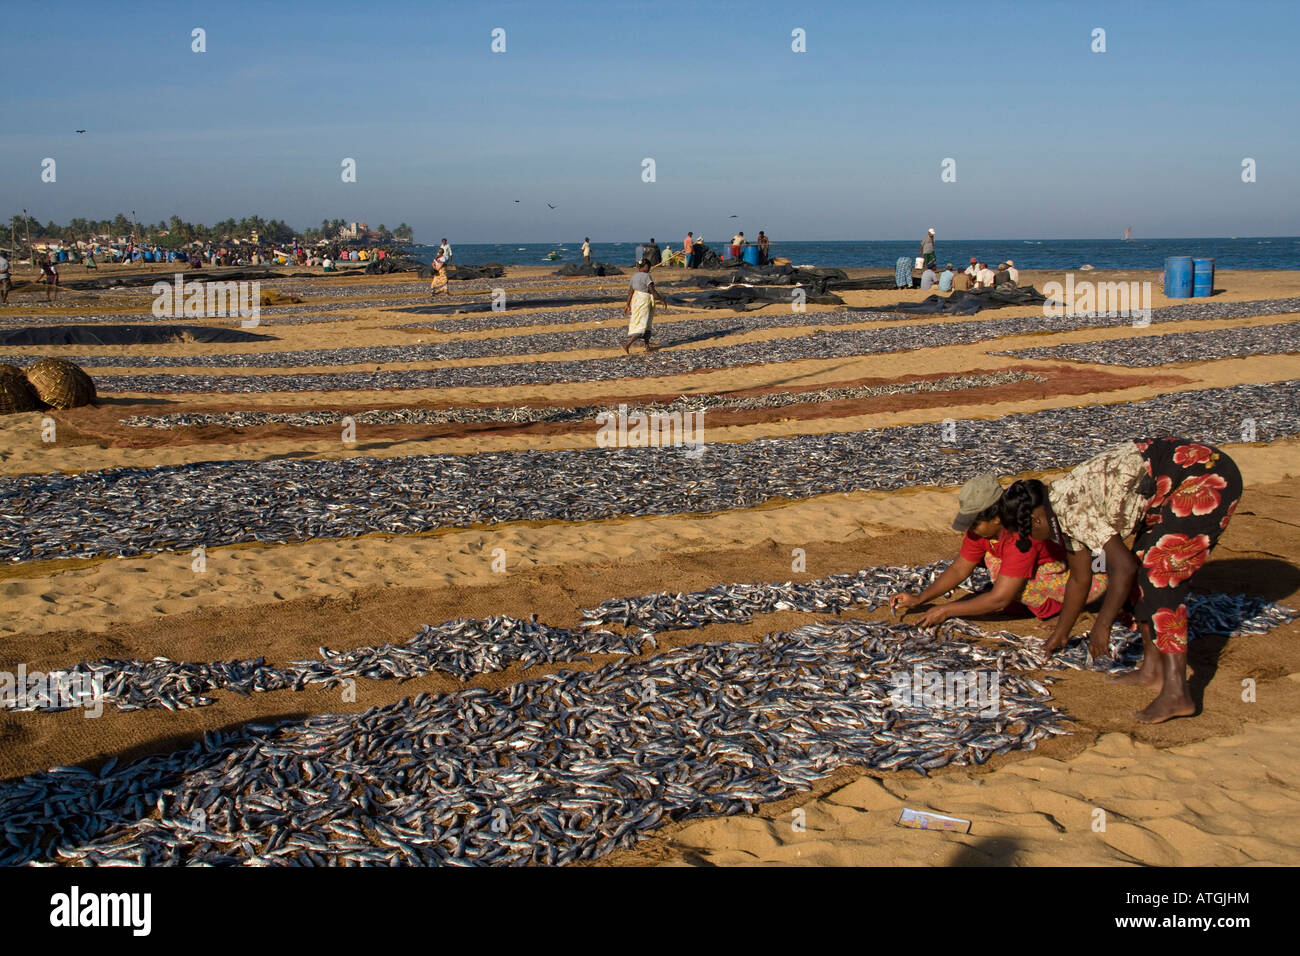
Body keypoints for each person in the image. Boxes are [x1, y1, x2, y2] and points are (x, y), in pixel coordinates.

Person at [1000, 437, 1242, 723]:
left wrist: (1103, 624)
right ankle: (1152, 669)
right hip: (1164, 488)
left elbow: (1123, 567)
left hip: (1201, 476)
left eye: (1028, 533)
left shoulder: (1070, 508)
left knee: (1160, 575)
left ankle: (1178, 692)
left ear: (1037, 522)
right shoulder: (1057, 513)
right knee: (1144, 566)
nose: (1033, 539)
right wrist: (1062, 632)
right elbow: (1080, 577)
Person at [891, 474, 1108, 627]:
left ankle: (1067, 611)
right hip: (1037, 573)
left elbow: (999, 599)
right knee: (995, 563)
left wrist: (946, 610)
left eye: (974, 522)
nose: (970, 528)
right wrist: (921, 598)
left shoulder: (1020, 538)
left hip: (1077, 579)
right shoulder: (982, 532)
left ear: (996, 518)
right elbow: (959, 569)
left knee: (1006, 578)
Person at [622, 259, 666, 354]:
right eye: (647, 266)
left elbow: (630, 292)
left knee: (646, 324)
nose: (649, 268)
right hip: (643, 302)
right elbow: (652, 291)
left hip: (636, 301)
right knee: (642, 325)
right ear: (643, 267)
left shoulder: (634, 276)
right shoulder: (647, 276)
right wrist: (661, 299)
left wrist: (627, 304)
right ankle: (627, 344)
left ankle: (647, 346)